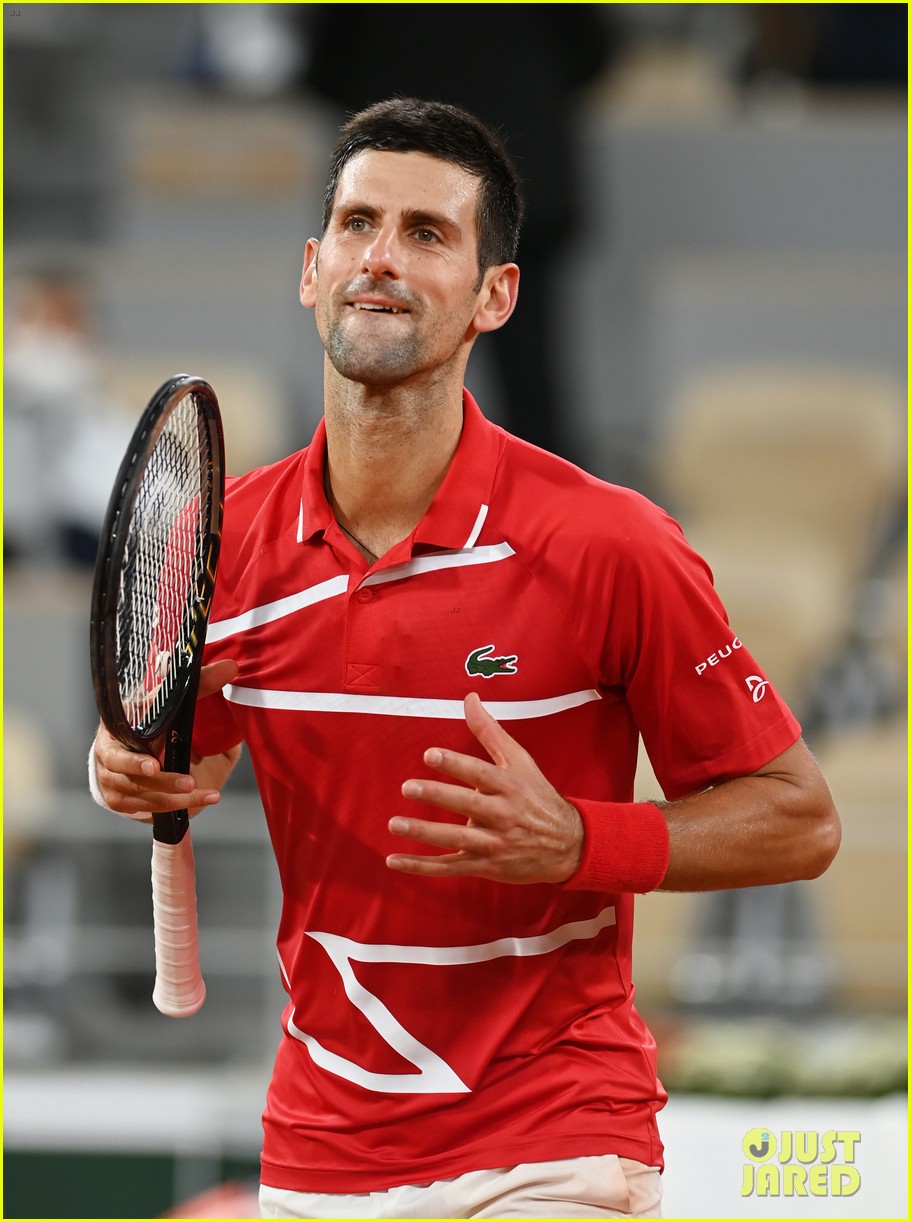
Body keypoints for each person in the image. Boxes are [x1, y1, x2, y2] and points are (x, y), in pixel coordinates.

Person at [90, 98, 841, 1220]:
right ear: (311, 267)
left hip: (551, 1134)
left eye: (426, 234)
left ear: (496, 295)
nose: (380, 259)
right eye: (356, 224)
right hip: (320, 1146)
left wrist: (581, 839)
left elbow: (798, 816)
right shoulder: (227, 544)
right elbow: (177, 753)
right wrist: (129, 767)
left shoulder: (608, 543)